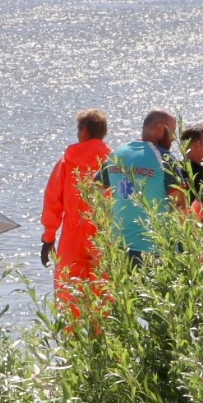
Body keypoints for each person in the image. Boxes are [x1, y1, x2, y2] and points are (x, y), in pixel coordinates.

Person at [41, 110, 112, 299]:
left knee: (70, 296)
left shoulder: (67, 162)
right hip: (104, 236)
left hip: (73, 236)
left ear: (84, 130)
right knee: (104, 296)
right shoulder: (114, 162)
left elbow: (53, 202)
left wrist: (48, 238)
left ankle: (74, 329)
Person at [105, 109, 178, 262]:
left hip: (119, 247)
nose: (173, 139)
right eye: (172, 133)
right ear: (160, 129)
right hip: (154, 248)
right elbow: (179, 206)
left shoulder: (116, 154)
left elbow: (96, 188)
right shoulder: (164, 158)